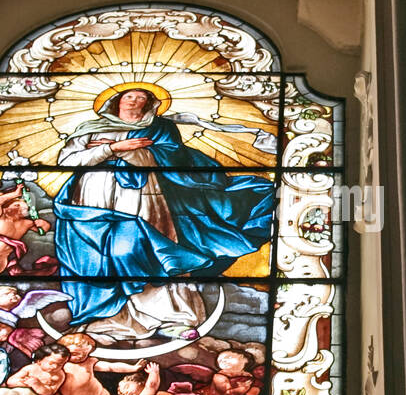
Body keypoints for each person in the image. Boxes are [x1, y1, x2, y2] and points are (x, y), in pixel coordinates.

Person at [52, 85, 274, 339]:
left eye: (141, 98)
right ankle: (108, 316)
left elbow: (173, 160)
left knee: (145, 247)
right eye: (129, 97)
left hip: (144, 193)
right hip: (91, 192)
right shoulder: (89, 129)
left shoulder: (162, 128)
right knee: (99, 251)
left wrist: (133, 150)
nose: (134, 101)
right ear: (116, 101)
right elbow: (67, 161)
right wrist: (112, 149)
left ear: (150, 104)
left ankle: (171, 315)